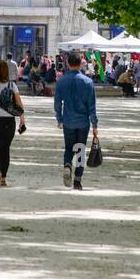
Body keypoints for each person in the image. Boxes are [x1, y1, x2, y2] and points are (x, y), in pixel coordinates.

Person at [54, 49, 99, 191]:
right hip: (83, 121)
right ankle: (78, 180)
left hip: (68, 120)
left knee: (68, 147)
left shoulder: (61, 81)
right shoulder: (88, 82)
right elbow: (92, 105)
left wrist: (59, 119)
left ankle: (67, 164)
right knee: (80, 149)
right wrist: (94, 124)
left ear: (67, 63)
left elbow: (57, 103)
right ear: (80, 64)